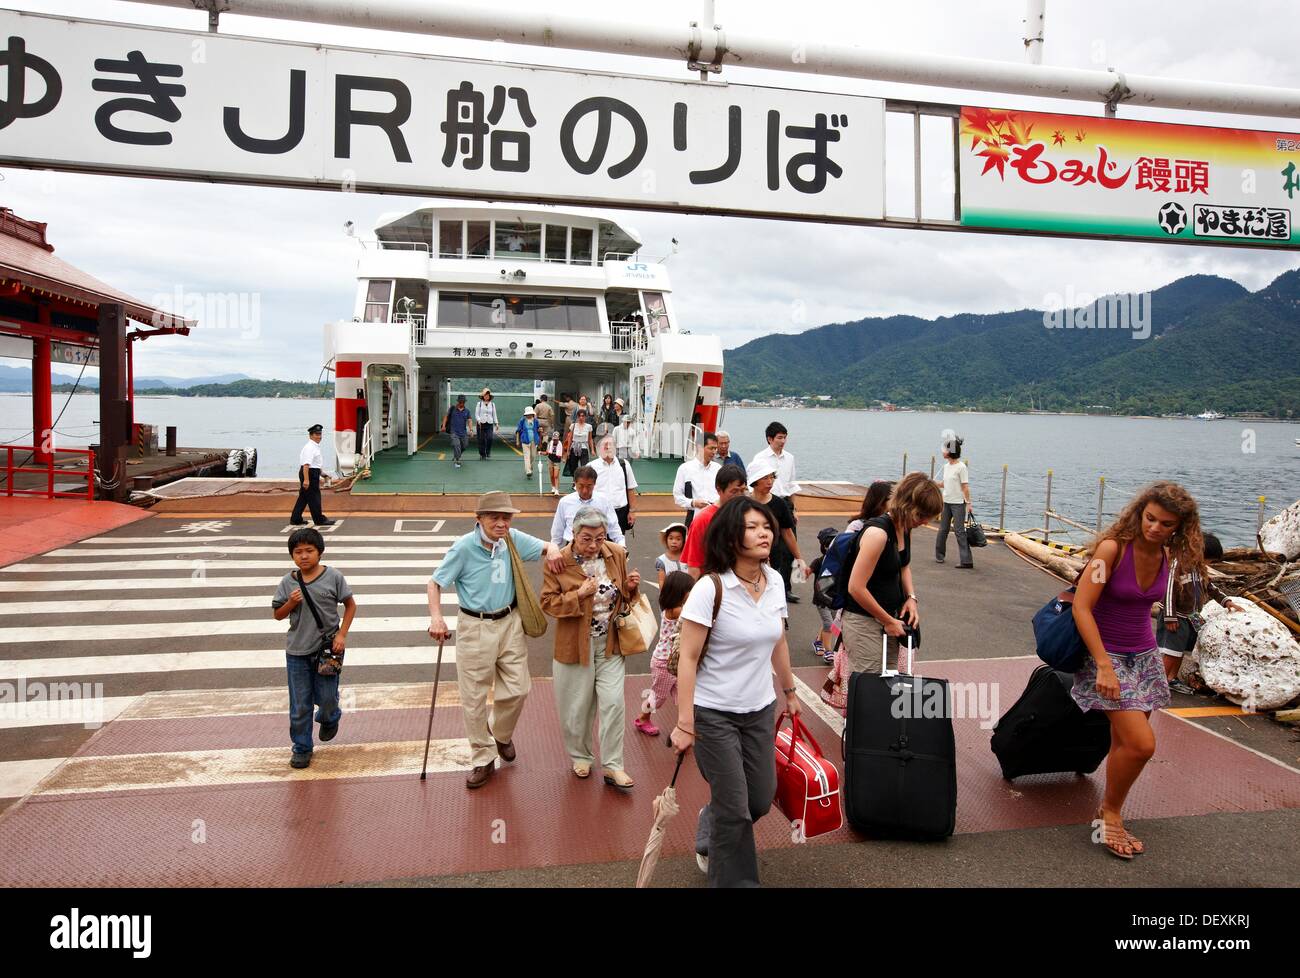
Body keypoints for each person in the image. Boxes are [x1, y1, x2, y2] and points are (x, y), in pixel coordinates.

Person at [670, 496, 800, 888]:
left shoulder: (774, 580)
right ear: (731, 535)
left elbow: (777, 641)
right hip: (714, 714)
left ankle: (712, 822)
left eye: (767, 526)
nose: (764, 533)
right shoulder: (710, 589)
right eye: (752, 527)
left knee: (759, 799)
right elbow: (688, 658)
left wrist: (790, 691)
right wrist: (685, 723)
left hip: (759, 708)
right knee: (736, 810)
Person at [1071, 482, 1206, 859]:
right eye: (1150, 518)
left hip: (1144, 655)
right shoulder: (1111, 549)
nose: (1155, 528)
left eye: (1166, 523)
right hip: (1105, 654)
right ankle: (1110, 815)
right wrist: (1102, 665)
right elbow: (1082, 607)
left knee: (1124, 743)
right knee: (1143, 744)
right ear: (1138, 513)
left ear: (1179, 526)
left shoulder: (1168, 555)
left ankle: (1108, 808)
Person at [428, 492, 565, 789]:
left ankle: (499, 733)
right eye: (495, 518)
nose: (501, 523)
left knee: (518, 688)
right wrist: (437, 618)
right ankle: (483, 757)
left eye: (506, 517)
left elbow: (546, 547)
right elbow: (435, 582)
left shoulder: (511, 539)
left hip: (510, 622)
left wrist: (553, 548)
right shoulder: (463, 548)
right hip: (475, 626)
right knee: (474, 697)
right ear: (479, 520)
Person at [541, 506, 643, 789]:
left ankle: (613, 765)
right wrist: (579, 594)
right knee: (577, 707)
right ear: (573, 534)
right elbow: (548, 603)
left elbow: (623, 597)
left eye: (599, 538)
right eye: (587, 538)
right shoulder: (558, 561)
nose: (594, 545)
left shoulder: (616, 554)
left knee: (614, 703)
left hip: (610, 643)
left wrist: (631, 588)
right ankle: (581, 756)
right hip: (575, 644)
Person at [840, 472, 943, 674]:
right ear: (906, 505)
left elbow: (904, 566)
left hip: (891, 621)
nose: (924, 522)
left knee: (888, 687)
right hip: (864, 623)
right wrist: (887, 620)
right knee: (868, 691)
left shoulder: (904, 527)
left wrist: (911, 598)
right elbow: (855, 587)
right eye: (920, 516)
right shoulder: (877, 534)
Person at [272, 527, 356, 768]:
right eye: (298, 552)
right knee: (300, 704)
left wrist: (342, 635)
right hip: (297, 652)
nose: (304, 556)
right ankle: (301, 747)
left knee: (328, 698)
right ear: (292, 556)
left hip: (328, 650)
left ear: (320, 552)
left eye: (309, 551)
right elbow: (278, 614)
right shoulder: (288, 582)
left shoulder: (334, 577)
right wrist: (290, 602)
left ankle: (330, 717)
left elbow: (350, 605)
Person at [1158, 532, 1228, 694]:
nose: (1210, 563)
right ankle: (1160, 681)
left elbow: (1210, 587)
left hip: (1193, 615)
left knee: (1182, 649)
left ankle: (1171, 678)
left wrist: (1226, 601)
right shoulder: (1178, 565)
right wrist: (1170, 616)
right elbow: (1168, 591)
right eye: (1209, 559)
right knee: (1171, 651)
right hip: (1177, 616)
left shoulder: (1200, 569)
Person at [634, 570, 694, 737]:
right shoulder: (675, 610)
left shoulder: (676, 607)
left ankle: (686, 726)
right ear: (681, 593)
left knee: (685, 695)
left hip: (676, 661)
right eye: (691, 591)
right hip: (664, 663)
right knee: (658, 697)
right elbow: (693, 616)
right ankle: (642, 718)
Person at [749, 422, 801, 599]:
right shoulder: (760, 458)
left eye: (785, 437)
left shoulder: (790, 458)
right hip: (766, 502)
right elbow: (753, 482)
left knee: (789, 549)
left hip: (784, 504)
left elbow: (792, 484)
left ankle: (785, 588)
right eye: (779, 437)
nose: (783, 441)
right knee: (769, 546)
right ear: (769, 439)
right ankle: (765, 585)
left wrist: (794, 509)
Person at [680, 464, 748, 578]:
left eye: (743, 490)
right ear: (719, 490)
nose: (739, 496)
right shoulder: (703, 519)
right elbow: (694, 565)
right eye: (734, 491)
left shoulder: (749, 515)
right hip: (715, 586)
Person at [550, 465, 624, 548]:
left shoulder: (604, 501)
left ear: (594, 483)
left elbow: (614, 527)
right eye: (580, 486)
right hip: (572, 548)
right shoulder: (565, 502)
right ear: (575, 482)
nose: (585, 490)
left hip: (598, 548)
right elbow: (557, 531)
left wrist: (622, 545)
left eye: (589, 486)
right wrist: (554, 550)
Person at [935, 435, 974, 569]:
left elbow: (965, 487)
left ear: (950, 451)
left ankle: (966, 560)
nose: (942, 451)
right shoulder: (946, 466)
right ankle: (939, 556)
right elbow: (944, 484)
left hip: (958, 503)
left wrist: (968, 503)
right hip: (946, 502)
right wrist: (931, 483)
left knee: (959, 531)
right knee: (942, 530)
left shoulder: (961, 467)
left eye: (945, 449)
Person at [591, 435, 638, 537]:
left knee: (618, 547)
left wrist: (632, 512)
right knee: (597, 547)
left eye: (611, 444)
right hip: (598, 514)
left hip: (620, 514)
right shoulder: (591, 467)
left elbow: (630, 489)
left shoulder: (624, 465)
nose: (608, 447)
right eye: (605, 445)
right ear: (599, 448)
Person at [673, 431, 721, 527]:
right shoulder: (685, 468)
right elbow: (677, 496)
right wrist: (693, 502)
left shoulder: (718, 468)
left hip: (717, 517)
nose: (714, 452)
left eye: (716, 448)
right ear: (699, 447)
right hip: (694, 517)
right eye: (711, 448)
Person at [290, 423, 334, 526]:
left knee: (304, 497)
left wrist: (322, 474)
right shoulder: (310, 447)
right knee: (314, 497)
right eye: (316, 434)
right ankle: (319, 520)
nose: (319, 436)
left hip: (312, 472)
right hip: (309, 473)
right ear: (311, 435)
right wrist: (306, 480)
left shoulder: (314, 446)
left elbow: (315, 464)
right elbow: (306, 465)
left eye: (320, 434)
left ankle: (295, 518)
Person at [808, 526, 841, 663]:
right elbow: (807, 572)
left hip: (835, 598)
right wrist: (802, 571)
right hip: (822, 599)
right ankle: (829, 651)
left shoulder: (841, 561)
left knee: (832, 623)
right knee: (828, 624)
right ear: (825, 547)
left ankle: (818, 641)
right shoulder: (819, 561)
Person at [443, 395, 473, 469]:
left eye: (463, 402)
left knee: (465, 445)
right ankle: (457, 460)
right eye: (460, 402)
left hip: (463, 432)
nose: (461, 403)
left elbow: (469, 420)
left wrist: (471, 430)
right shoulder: (452, 409)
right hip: (454, 432)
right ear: (458, 401)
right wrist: (443, 426)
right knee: (457, 445)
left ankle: (456, 455)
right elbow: (446, 417)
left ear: (464, 402)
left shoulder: (467, 411)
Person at [655, 522, 687, 588]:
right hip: (670, 596)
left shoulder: (688, 558)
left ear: (684, 541)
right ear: (666, 540)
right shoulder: (662, 561)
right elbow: (662, 582)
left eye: (678, 539)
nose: (674, 542)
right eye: (671, 538)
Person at [563, 408, 594, 476]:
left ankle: (583, 480)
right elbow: (570, 438)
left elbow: (590, 439)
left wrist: (592, 450)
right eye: (579, 416)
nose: (581, 417)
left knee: (585, 466)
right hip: (574, 447)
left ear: (585, 417)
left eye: (583, 416)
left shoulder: (589, 426)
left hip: (584, 447)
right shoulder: (573, 426)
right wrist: (568, 451)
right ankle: (575, 481)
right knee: (573, 466)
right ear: (577, 417)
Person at [515, 405, 541, 480]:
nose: (529, 415)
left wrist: (540, 431)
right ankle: (528, 471)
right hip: (525, 440)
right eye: (527, 414)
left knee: (533, 456)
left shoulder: (536, 421)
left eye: (530, 414)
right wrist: (517, 441)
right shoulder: (522, 420)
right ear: (525, 414)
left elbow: (538, 429)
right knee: (526, 456)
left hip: (534, 440)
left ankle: (530, 468)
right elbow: (518, 431)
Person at [475, 388, 499, 460]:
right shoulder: (479, 404)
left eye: (488, 395)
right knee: (481, 439)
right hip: (481, 424)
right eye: (485, 395)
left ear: (489, 396)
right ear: (483, 396)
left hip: (489, 423)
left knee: (490, 438)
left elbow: (494, 414)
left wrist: (496, 423)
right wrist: (479, 420)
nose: (486, 396)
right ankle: (482, 454)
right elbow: (476, 414)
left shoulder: (492, 404)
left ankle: (488, 452)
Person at [545, 428, 565, 497]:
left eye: (556, 439)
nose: (555, 440)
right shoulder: (550, 443)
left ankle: (557, 490)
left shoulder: (560, 444)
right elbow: (547, 452)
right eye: (554, 439)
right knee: (551, 475)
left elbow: (562, 453)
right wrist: (541, 452)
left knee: (556, 476)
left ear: (558, 439)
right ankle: (553, 487)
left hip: (557, 461)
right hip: (550, 459)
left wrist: (563, 458)